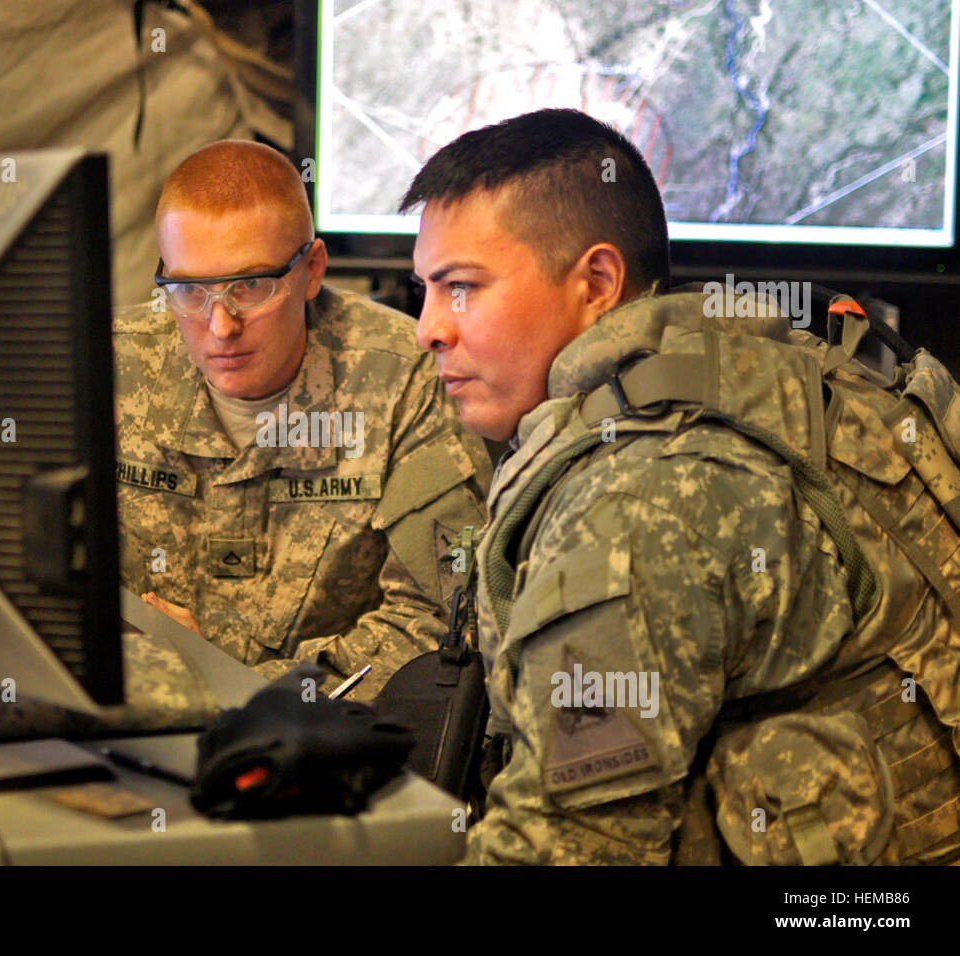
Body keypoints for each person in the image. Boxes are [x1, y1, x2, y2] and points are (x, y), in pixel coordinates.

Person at [404, 108, 960, 864]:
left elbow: (572, 852)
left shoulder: (635, 505)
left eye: (462, 287)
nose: (428, 328)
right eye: (425, 290)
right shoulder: (767, 370)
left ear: (598, 282)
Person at [114, 140, 491, 702]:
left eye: (251, 286)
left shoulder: (406, 381)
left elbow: (439, 622)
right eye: (189, 289)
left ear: (312, 270)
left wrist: (227, 688)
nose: (220, 326)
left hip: (325, 737)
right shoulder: (111, 366)